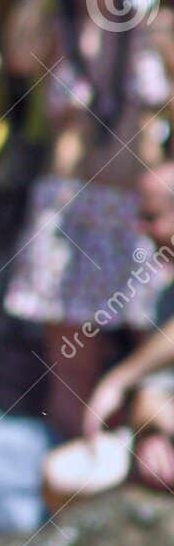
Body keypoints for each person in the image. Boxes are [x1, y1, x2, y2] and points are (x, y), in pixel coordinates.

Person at [2, 0, 170, 438]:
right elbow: (18, 58)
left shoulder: (156, 26)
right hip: (69, 215)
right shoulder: (56, 29)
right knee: (72, 372)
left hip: (139, 216)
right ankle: (69, 493)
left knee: (151, 363)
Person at [43, 162, 174, 505]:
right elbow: (153, 395)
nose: (140, 229)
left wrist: (119, 380)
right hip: (158, 437)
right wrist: (151, 432)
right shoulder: (164, 294)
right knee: (61, 474)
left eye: (151, 216)